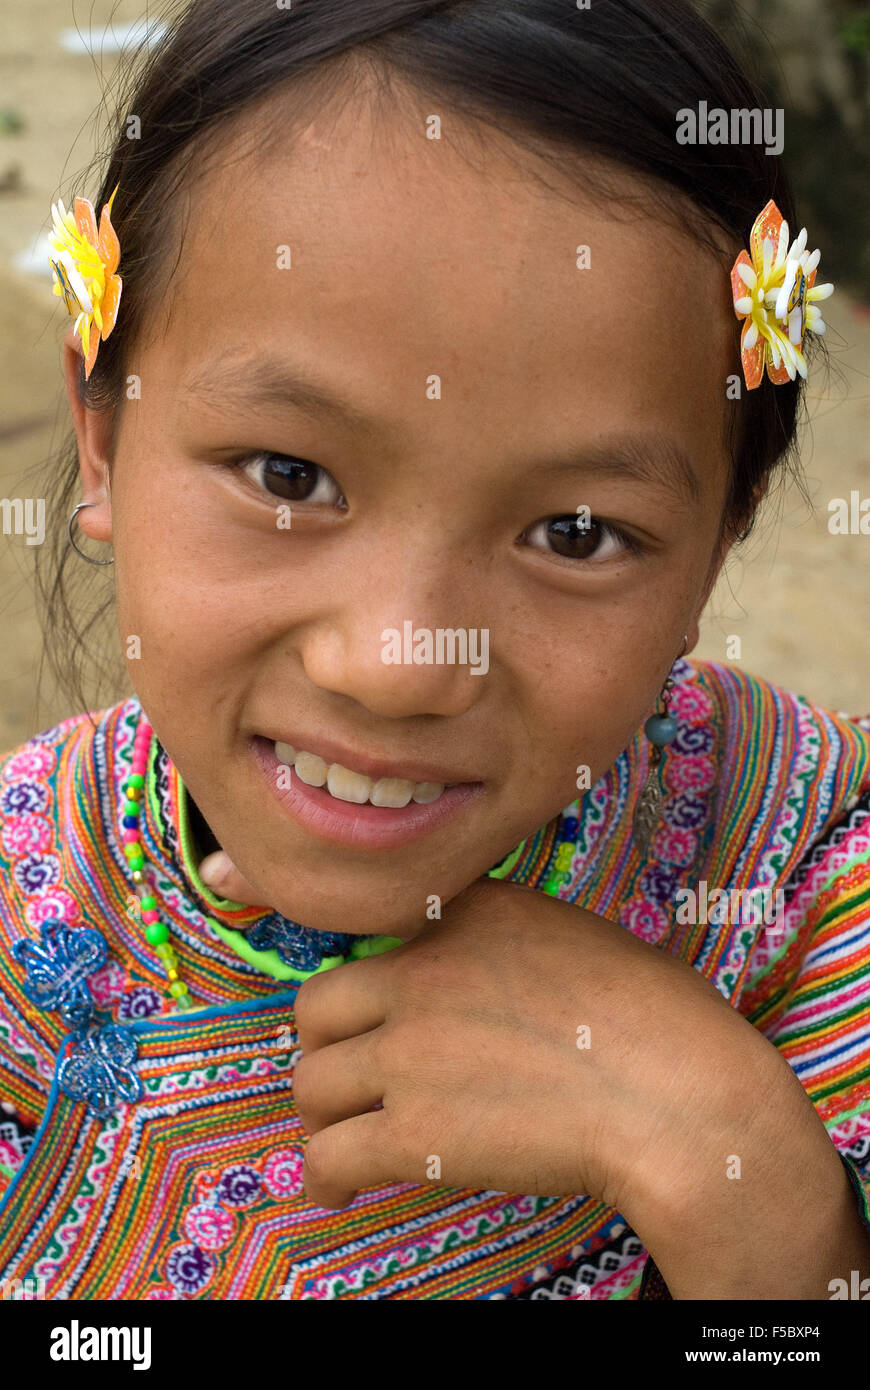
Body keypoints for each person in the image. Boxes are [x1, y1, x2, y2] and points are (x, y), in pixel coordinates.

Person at [0, 0, 868, 1301]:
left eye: (575, 533)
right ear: (104, 425)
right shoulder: (23, 934)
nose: (396, 661)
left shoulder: (798, 873)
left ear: (718, 543)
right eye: (287, 471)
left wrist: (713, 1141)